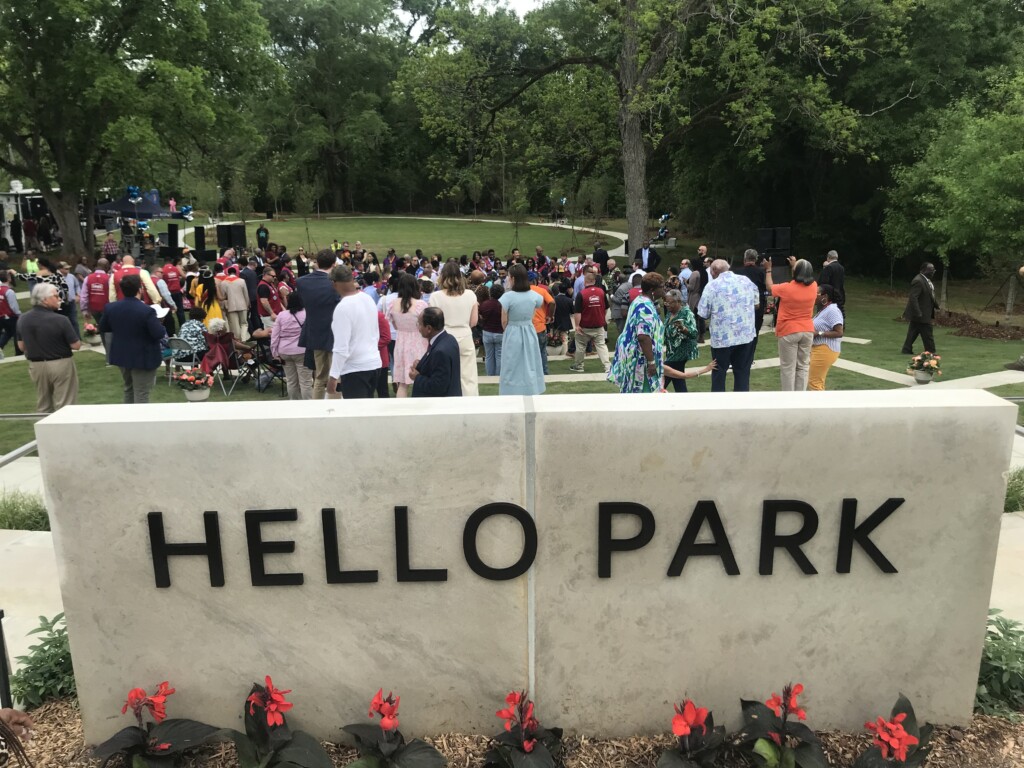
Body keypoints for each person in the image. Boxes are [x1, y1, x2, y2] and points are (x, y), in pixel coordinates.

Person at [100, 274, 167, 404]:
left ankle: (128, 420)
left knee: (129, 388)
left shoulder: (111, 308)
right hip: (143, 356)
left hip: (122, 354)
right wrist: (160, 323)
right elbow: (158, 334)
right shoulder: (147, 311)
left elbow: (104, 327)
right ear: (140, 289)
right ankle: (139, 422)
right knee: (141, 392)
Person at [697, 259, 759, 392]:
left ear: (714, 272)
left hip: (722, 339)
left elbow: (703, 313)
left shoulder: (712, 286)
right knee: (742, 372)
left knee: (719, 373)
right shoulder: (746, 281)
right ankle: (741, 405)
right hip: (745, 335)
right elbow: (756, 303)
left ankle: (719, 406)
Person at [16, 284, 80, 412]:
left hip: (36, 366)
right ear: (44, 299)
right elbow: (76, 345)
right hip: (60, 363)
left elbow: (21, 346)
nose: (59, 298)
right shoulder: (61, 319)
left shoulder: (23, 318)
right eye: (56, 296)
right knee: (66, 405)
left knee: (44, 405)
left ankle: (44, 431)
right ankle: (64, 431)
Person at [608, 272, 666, 393]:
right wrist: (651, 362)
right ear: (652, 289)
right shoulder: (644, 306)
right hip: (641, 359)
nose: (664, 289)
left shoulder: (640, 301)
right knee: (643, 395)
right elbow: (643, 336)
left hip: (638, 354)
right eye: (662, 286)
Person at [328, 265, 380, 399]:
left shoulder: (342, 308)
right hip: (374, 363)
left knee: (357, 415)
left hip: (355, 369)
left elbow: (341, 347)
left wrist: (333, 376)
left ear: (334, 284)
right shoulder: (367, 298)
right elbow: (375, 333)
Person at [766, 256, 817, 391]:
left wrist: (768, 270)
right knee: (803, 366)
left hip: (789, 331)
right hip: (807, 330)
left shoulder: (786, 288)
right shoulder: (814, 286)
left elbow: (770, 287)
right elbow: (801, 276)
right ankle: (800, 398)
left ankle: (788, 399)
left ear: (795, 271)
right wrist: (795, 266)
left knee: (788, 367)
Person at [429, 260, 479, 396]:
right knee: (468, 377)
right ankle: (471, 405)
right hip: (464, 336)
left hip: (444, 338)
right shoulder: (470, 295)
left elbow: (432, 323)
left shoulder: (435, 297)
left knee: (445, 375)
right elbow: (473, 322)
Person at [498, 263, 545, 395]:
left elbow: (503, 320)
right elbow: (535, 310)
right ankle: (532, 387)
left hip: (513, 330)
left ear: (512, 278)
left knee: (511, 363)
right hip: (529, 329)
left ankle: (510, 389)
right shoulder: (534, 295)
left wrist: (507, 329)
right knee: (530, 360)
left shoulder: (507, 297)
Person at [387, 272, 428, 397]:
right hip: (419, 342)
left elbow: (394, 325)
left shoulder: (393, 304)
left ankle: (401, 410)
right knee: (421, 378)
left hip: (401, 343)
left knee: (403, 383)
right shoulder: (421, 305)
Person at [410, 307, 462, 397]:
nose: (418, 328)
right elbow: (437, 367)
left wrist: (417, 377)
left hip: (438, 406)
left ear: (429, 328)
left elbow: (438, 386)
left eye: (420, 324)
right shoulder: (449, 339)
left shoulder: (440, 351)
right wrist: (421, 365)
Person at [271, 292, 313, 400]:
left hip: (284, 351)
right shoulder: (307, 313)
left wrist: (274, 352)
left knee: (291, 381)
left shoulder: (281, 315)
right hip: (302, 350)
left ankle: (294, 405)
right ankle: (308, 407)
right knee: (306, 382)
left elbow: (275, 335)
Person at [569, 267, 610, 373]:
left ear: (585, 281)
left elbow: (578, 313)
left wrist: (577, 325)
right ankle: (607, 366)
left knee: (581, 346)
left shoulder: (581, 294)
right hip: (599, 324)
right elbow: (606, 308)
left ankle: (579, 365)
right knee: (601, 345)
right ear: (594, 281)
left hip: (584, 326)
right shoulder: (601, 292)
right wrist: (602, 317)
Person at [662, 288, 701, 391]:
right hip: (672, 351)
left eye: (670, 302)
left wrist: (683, 329)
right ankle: (683, 400)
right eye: (666, 302)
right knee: (678, 378)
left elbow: (694, 333)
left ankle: (654, 394)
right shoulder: (670, 313)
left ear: (678, 301)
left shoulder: (686, 313)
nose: (667, 304)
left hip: (682, 351)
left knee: (662, 376)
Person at [809, 284, 844, 390]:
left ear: (825, 297)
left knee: (814, 382)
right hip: (819, 348)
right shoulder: (824, 310)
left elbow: (839, 332)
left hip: (825, 348)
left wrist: (819, 333)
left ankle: (818, 406)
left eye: (816, 293)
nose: (813, 296)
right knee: (817, 381)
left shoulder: (832, 310)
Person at [735, 249, 768, 353]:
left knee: (739, 331)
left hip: (741, 307)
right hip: (757, 307)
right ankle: (750, 356)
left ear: (745, 259)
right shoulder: (761, 272)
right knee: (755, 332)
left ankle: (739, 356)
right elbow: (766, 287)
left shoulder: (737, 272)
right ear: (756, 259)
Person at [902, 262, 938, 355]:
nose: (932, 272)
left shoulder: (926, 280)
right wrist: (918, 312)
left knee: (913, 332)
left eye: (933, 270)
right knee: (927, 332)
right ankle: (931, 352)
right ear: (923, 270)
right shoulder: (918, 280)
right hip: (921, 313)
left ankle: (906, 349)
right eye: (930, 270)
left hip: (923, 312)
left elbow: (930, 295)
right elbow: (913, 298)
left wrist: (936, 305)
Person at [529, 274, 555, 375]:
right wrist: (550, 316)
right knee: (542, 351)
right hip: (540, 326)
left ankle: (532, 373)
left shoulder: (521, 292)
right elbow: (552, 302)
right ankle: (544, 372)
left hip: (526, 327)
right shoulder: (541, 291)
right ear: (535, 280)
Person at [479, 282, 505, 376]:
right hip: (500, 332)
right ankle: (498, 377)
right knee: (499, 356)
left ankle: (490, 376)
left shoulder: (484, 304)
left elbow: (481, 317)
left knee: (489, 356)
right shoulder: (504, 305)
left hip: (487, 332)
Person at [221, 265, 250, 342]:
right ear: (236, 272)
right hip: (242, 305)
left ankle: (238, 340)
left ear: (228, 273)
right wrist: (247, 304)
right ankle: (244, 339)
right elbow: (245, 294)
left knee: (235, 325)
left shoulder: (223, 283)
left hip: (231, 306)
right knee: (244, 323)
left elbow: (223, 296)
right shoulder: (241, 281)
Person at [0, 272, 20, 359]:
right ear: (8, 279)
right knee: (17, 333)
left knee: (8, 333)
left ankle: (0, 346)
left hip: (1, 316)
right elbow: (13, 306)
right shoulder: (9, 291)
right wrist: (19, 314)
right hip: (10, 316)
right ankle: (19, 353)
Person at [819, 250, 845, 314]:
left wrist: (824, 268)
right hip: (839, 296)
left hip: (829, 298)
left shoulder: (829, 267)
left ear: (828, 257)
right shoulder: (841, 268)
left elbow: (822, 283)